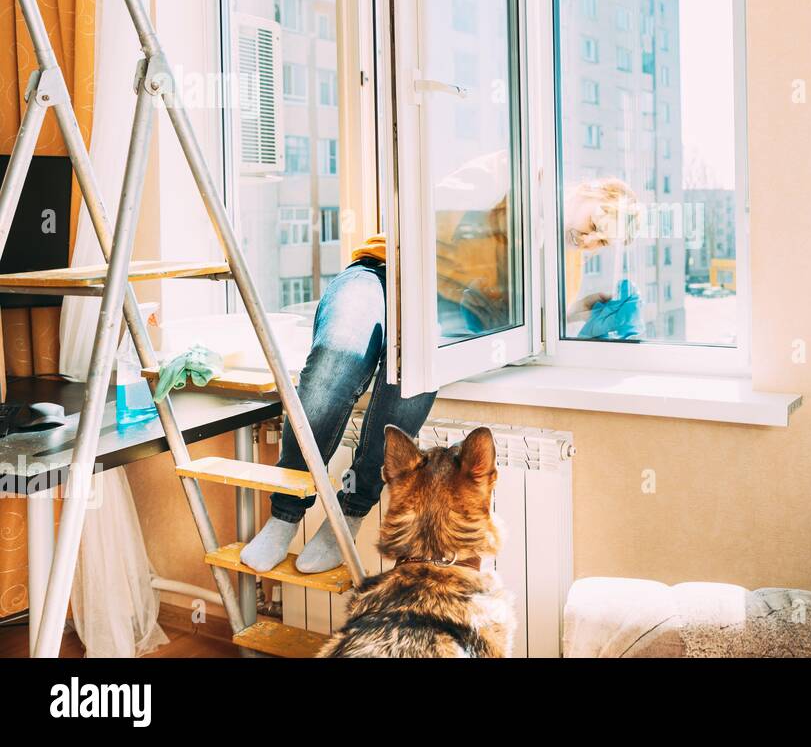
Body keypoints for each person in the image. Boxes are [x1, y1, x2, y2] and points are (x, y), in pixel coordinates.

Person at [239, 172, 640, 574]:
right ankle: (285, 512)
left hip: (439, 308)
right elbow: (439, 200)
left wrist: (581, 309)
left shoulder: (563, 263)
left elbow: (517, 321)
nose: (589, 242)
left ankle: (350, 509)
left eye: (602, 243)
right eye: (596, 226)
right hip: (382, 273)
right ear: (585, 191)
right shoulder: (517, 171)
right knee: (338, 355)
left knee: (414, 378)